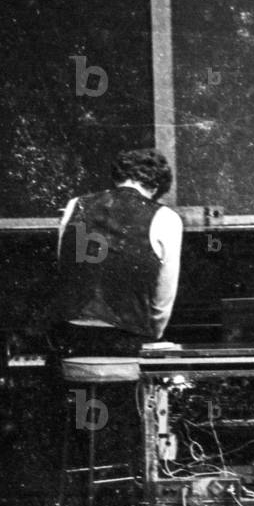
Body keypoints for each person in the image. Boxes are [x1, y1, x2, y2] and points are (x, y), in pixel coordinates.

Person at [50, 148, 182, 356]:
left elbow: (64, 265)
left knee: (76, 378)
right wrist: (153, 334)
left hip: (70, 335)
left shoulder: (75, 205)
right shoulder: (167, 218)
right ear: (156, 187)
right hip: (126, 338)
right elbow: (165, 292)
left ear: (118, 177)